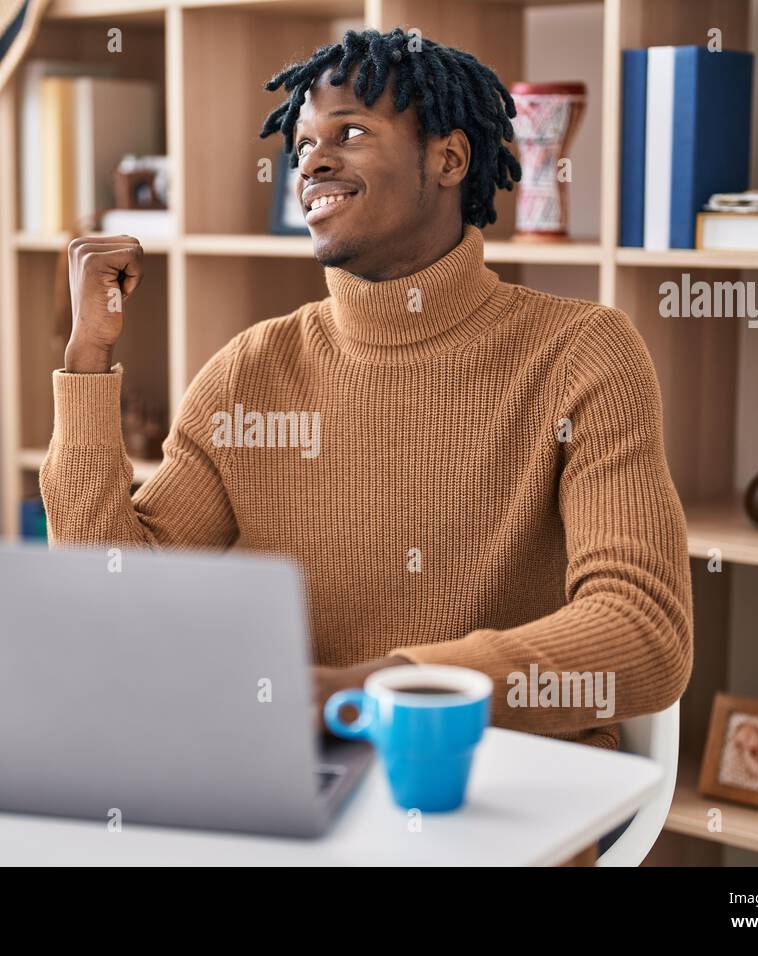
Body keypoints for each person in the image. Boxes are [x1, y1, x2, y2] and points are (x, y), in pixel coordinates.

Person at [40, 28, 693, 752]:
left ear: (449, 158)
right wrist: (88, 362)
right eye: (301, 148)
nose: (313, 161)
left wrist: (388, 688)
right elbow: (113, 592)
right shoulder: (249, 372)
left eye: (349, 132)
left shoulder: (582, 354)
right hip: (303, 772)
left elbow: (643, 633)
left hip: (507, 787)